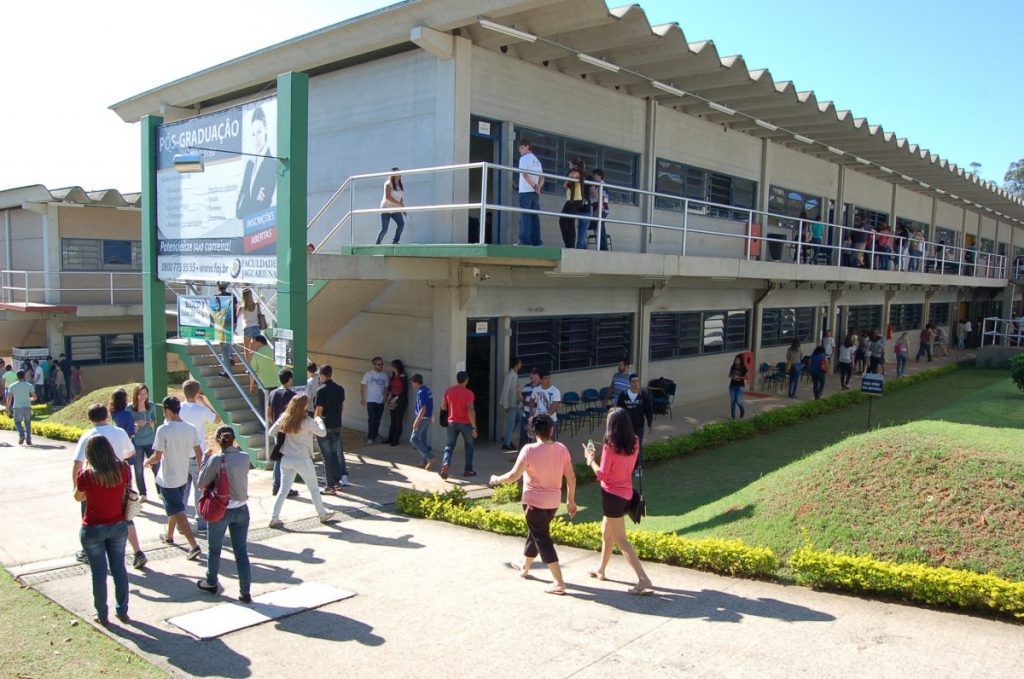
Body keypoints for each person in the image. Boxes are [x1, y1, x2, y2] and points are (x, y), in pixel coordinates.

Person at [490, 414, 576, 595]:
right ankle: (525, 568)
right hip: (553, 504)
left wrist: (496, 479)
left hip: (533, 503)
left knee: (542, 538)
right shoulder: (562, 449)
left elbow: (514, 476)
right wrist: (571, 500)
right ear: (551, 430)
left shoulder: (529, 450)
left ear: (533, 431)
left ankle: (559, 582)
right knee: (535, 533)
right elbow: (570, 476)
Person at [582, 408, 653, 595]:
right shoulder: (635, 442)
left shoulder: (609, 447)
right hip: (626, 494)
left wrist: (590, 460)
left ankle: (643, 579)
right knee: (606, 532)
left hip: (612, 497)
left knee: (622, 541)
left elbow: (602, 474)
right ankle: (601, 569)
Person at [73, 403, 147, 570]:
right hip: (119, 481)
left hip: (95, 483)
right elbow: (131, 452)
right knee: (125, 516)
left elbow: (78, 463)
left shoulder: (88, 435)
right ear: (107, 416)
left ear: (89, 418)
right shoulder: (120, 432)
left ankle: (89, 551)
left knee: (91, 516)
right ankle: (137, 552)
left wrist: (76, 486)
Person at [74, 436, 132, 625]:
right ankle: (122, 610)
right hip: (118, 525)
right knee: (119, 569)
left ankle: (102, 614)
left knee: (98, 573)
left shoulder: (86, 475)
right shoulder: (123, 468)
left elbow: (78, 497)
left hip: (92, 527)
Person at [196, 426, 254, 603]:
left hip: (220, 509)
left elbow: (201, 482)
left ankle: (211, 581)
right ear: (234, 439)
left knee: (214, 549)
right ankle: (245, 592)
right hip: (242, 509)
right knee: (241, 552)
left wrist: (205, 460)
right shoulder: (245, 457)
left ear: (217, 440)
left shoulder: (216, 459)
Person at [146, 396, 203, 561]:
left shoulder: (163, 430)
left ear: (168, 411)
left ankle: (193, 545)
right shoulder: (190, 428)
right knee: (174, 508)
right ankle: (169, 536)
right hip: (182, 476)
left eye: (164, 410)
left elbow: (156, 457)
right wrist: (201, 472)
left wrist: (147, 462)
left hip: (168, 478)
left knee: (178, 511)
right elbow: (199, 453)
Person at [268, 397, 337, 529]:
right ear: (304, 406)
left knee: (283, 490)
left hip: (286, 458)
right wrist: (319, 420)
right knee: (314, 489)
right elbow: (322, 433)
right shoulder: (307, 421)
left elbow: (271, 432)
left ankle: (274, 517)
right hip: (303, 459)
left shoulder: (284, 417)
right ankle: (322, 514)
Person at [180, 380, 220, 534]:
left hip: (182, 454)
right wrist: (205, 403)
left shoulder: (178, 409)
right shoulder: (200, 409)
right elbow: (217, 419)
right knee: (200, 489)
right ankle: (201, 520)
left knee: (183, 490)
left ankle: (181, 521)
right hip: (199, 454)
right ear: (197, 394)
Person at [235, 105, 276, 218]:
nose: (256, 139)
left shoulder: (271, 164)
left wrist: (248, 203)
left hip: (262, 231)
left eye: (259, 132)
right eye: (253, 134)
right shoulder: (250, 165)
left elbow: (262, 206)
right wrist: (253, 201)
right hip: (248, 230)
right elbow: (239, 211)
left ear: (266, 130)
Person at [314, 364, 348, 492]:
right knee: (334, 454)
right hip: (337, 424)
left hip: (325, 426)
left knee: (326, 455)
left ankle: (330, 485)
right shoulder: (340, 389)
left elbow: (319, 410)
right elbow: (342, 407)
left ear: (322, 374)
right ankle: (337, 481)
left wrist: (316, 426)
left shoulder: (321, 391)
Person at [439, 371, 477, 480]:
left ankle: (445, 465)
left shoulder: (448, 391)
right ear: (466, 380)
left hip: (452, 423)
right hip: (466, 424)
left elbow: (443, 406)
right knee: (469, 446)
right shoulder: (469, 393)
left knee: (449, 446)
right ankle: (468, 470)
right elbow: (470, 410)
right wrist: (474, 427)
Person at [267, 369, 298, 498]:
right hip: (288, 431)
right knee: (287, 460)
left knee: (278, 458)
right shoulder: (292, 395)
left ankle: (277, 484)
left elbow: (269, 413)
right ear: (289, 379)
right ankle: (284, 487)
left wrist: (274, 424)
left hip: (277, 429)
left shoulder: (272, 393)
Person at [615, 373, 653, 474]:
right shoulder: (623, 395)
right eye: (633, 382)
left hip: (639, 425)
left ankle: (638, 468)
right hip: (626, 426)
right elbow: (619, 410)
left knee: (638, 446)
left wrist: (650, 423)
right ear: (629, 383)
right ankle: (626, 467)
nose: (635, 384)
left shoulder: (643, 394)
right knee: (626, 444)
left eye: (637, 381)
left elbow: (648, 410)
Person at [128, 384, 158, 499]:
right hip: (137, 441)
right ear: (136, 394)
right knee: (138, 468)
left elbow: (155, 418)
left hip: (150, 439)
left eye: (145, 394)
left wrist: (151, 422)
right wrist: (136, 424)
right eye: (140, 394)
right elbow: (128, 424)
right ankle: (143, 493)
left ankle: (160, 490)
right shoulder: (130, 408)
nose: (143, 396)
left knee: (155, 465)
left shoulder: (151, 405)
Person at [516, 140, 543, 246]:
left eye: (521, 148)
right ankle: (536, 240)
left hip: (526, 190)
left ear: (527, 147)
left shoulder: (524, 159)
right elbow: (542, 177)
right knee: (534, 216)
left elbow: (524, 174)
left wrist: (534, 186)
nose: (520, 151)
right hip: (535, 193)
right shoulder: (537, 160)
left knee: (525, 215)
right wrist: (538, 187)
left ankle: (525, 240)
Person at [360, 356, 388, 444]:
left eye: (382, 364)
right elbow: (362, 385)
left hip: (381, 400)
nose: (380, 366)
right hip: (371, 400)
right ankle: (370, 437)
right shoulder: (368, 374)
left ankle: (375, 435)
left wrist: (385, 398)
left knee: (377, 419)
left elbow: (386, 387)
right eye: (379, 364)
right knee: (372, 418)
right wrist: (362, 398)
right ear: (374, 365)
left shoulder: (384, 375)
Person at [558, 159, 585, 249]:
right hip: (572, 199)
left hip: (575, 199)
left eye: (570, 165)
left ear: (574, 165)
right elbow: (565, 185)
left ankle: (568, 244)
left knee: (563, 221)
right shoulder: (575, 171)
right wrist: (567, 181)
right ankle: (570, 245)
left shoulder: (577, 171)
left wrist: (568, 178)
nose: (569, 166)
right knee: (570, 222)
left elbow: (574, 176)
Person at [409, 374, 434, 469]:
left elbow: (423, 408)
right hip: (427, 418)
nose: (412, 385)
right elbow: (430, 403)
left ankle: (430, 457)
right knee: (422, 439)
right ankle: (424, 461)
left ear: (416, 382)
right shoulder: (427, 389)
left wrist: (416, 421)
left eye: (412, 383)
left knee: (413, 439)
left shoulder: (421, 392)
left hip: (422, 418)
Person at [376, 168, 406, 245]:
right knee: (384, 229)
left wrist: (403, 208)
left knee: (401, 224)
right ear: (393, 174)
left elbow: (400, 197)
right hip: (386, 208)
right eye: (398, 173)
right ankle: (377, 243)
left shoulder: (400, 184)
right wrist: (399, 204)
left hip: (395, 208)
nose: (400, 174)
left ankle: (395, 241)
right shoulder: (388, 183)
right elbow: (388, 197)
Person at [498, 357, 522, 451]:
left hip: (515, 402)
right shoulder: (510, 375)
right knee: (511, 423)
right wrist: (506, 404)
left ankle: (507, 437)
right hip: (511, 403)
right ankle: (506, 443)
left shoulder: (515, 374)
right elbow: (506, 390)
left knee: (518, 419)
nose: (521, 365)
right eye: (520, 363)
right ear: (517, 364)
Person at [6, 369, 36, 445]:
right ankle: (28, 440)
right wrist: (29, 398)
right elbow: (35, 397)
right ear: (24, 376)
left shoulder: (12, 386)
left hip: (17, 407)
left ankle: (22, 434)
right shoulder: (29, 385)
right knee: (27, 423)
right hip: (27, 406)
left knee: (17, 422)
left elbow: (9, 398)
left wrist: (7, 408)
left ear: (17, 376)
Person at [528, 371, 561, 440]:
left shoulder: (555, 391)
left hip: (551, 420)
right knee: (537, 442)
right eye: (546, 379)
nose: (548, 380)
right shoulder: (536, 389)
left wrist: (544, 417)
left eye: (549, 378)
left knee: (551, 442)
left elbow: (554, 408)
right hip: (538, 420)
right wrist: (531, 414)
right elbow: (531, 401)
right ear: (541, 380)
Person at [249, 334, 277, 413]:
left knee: (264, 410)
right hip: (277, 385)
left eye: (254, 343)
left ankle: (264, 425)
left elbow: (252, 373)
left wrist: (251, 387)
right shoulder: (273, 351)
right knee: (275, 409)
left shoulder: (257, 354)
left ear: (259, 342)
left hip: (264, 387)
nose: (253, 345)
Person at [385, 359, 409, 446]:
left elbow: (404, 389)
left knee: (398, 420)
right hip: (392, 398)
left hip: (401, 400)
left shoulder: (402, 376)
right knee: (393, 420)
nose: (391, 367)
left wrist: (396, 398)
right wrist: (389, 397)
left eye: (392, 366)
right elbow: (390, 388)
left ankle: (396, 439)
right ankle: (390, 438)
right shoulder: (393, 377)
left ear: (396, 367)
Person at [237, 288, 262, 364]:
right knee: (255, 349)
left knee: (246, 349)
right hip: (257, 327)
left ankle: (249, 366)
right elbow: (260, 315)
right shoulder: (257, 305)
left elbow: (237, 317)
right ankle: (255, 365)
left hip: (248, 328)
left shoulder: (243, 307)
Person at [519, 368, 540, 448]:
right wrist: (519, 392)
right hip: (526, 416)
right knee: (523, 437)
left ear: (537, 375)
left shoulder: (541, 387)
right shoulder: (527, 386)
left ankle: (535, 457)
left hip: (536, 417)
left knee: (536, 437)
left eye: (533, 374)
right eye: (530, 374)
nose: (530, 376)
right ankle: (521, 456)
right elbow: (523, 400)